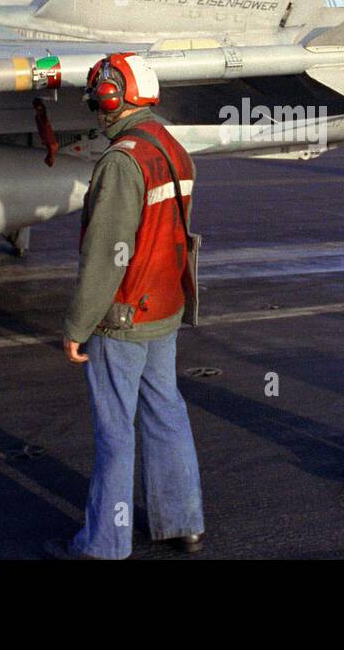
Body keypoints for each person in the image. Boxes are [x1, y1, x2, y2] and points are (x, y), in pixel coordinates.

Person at [44, 52, 204, 559]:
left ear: (113, 97)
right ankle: (183, 523)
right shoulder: (172, 148)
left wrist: (77, 323)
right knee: (166, 411)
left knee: (116, 430)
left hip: (124, 314)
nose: (95, 108)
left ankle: (105, 544)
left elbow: (105, 254)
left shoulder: (121, 160)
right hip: (164, 306)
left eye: (98, 98)